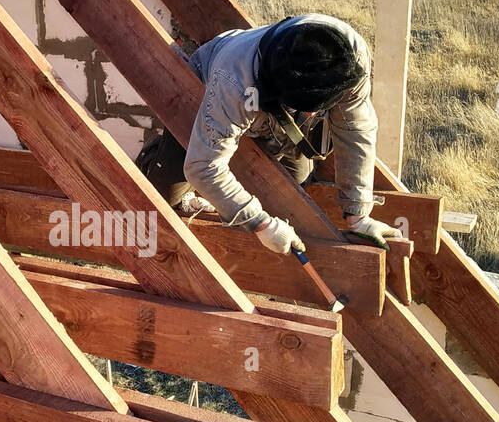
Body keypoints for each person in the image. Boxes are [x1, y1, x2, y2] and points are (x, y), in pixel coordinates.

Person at [138, 13, 401, 253]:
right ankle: (153, 159)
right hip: (206, 93)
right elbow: (203, 167)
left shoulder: (347, 59)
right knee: (167, 197)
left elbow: (355, 130)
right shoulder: (232, 81)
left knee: (295, 190)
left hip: (279, 114)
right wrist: (260, 223)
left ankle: (239, 170)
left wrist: (358, 214)